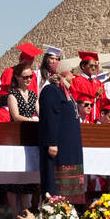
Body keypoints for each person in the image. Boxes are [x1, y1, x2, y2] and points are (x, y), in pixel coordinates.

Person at [39, 60, 84, 204]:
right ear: (64, 73)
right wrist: (52, 143)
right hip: (58, 146)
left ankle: (68, 211)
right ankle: (55, 211)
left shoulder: (65, 91)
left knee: (70, 184)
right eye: (71, 72)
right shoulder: (51, 90)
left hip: (69, 147)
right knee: (56, 183)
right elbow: (50, 118)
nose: (74, 76)